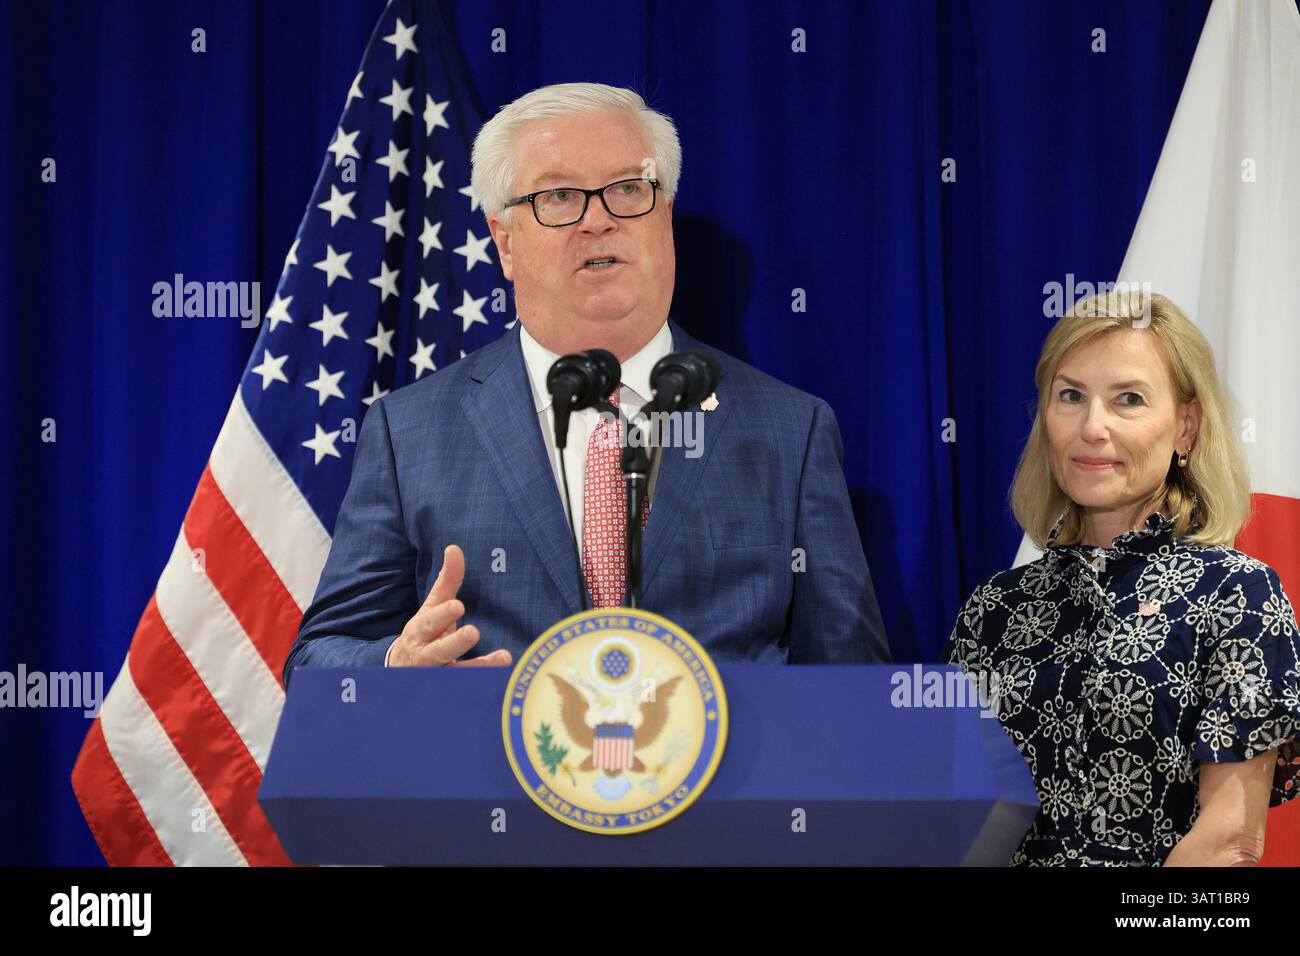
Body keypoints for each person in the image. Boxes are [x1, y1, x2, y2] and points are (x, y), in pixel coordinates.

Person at [284, 83, 889, 682]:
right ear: (504, 242)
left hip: (729, 776)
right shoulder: (407, 433)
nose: (599, 219)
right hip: (489, 775)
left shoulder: (792, 429)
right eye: (559, 196)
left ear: (667, 216)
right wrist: (397, 664)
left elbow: (850, 690)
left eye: (629, 189)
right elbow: (317, 661)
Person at [946, 290, 1299, 866]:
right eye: (1071, 396)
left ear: (1186, 427)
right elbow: (960, 822)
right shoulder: (993, 608)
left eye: (1128, 399)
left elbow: (1229, 841)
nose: (1092, 427)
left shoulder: (1238, 594)